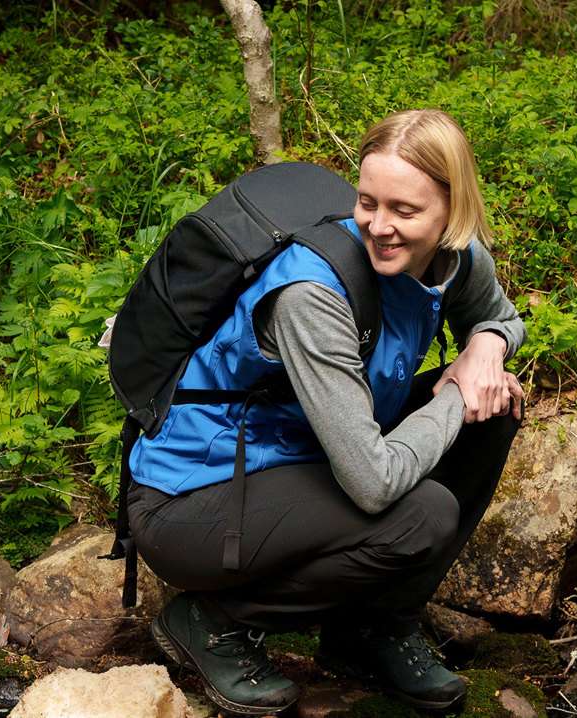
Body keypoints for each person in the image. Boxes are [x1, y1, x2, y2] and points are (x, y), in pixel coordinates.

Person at [126, 108, 526, 715]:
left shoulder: (459, 259)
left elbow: (502, 319)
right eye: (368, 203)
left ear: (454, 211)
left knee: (496, 411)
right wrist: (453, 393)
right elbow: (373, 482)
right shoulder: (310, 296)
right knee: (422, 514)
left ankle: (375, 630)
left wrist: (487, 349)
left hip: (307, 459)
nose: (379, 227)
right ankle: (212, 621)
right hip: (192, 500)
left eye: (405, 210)